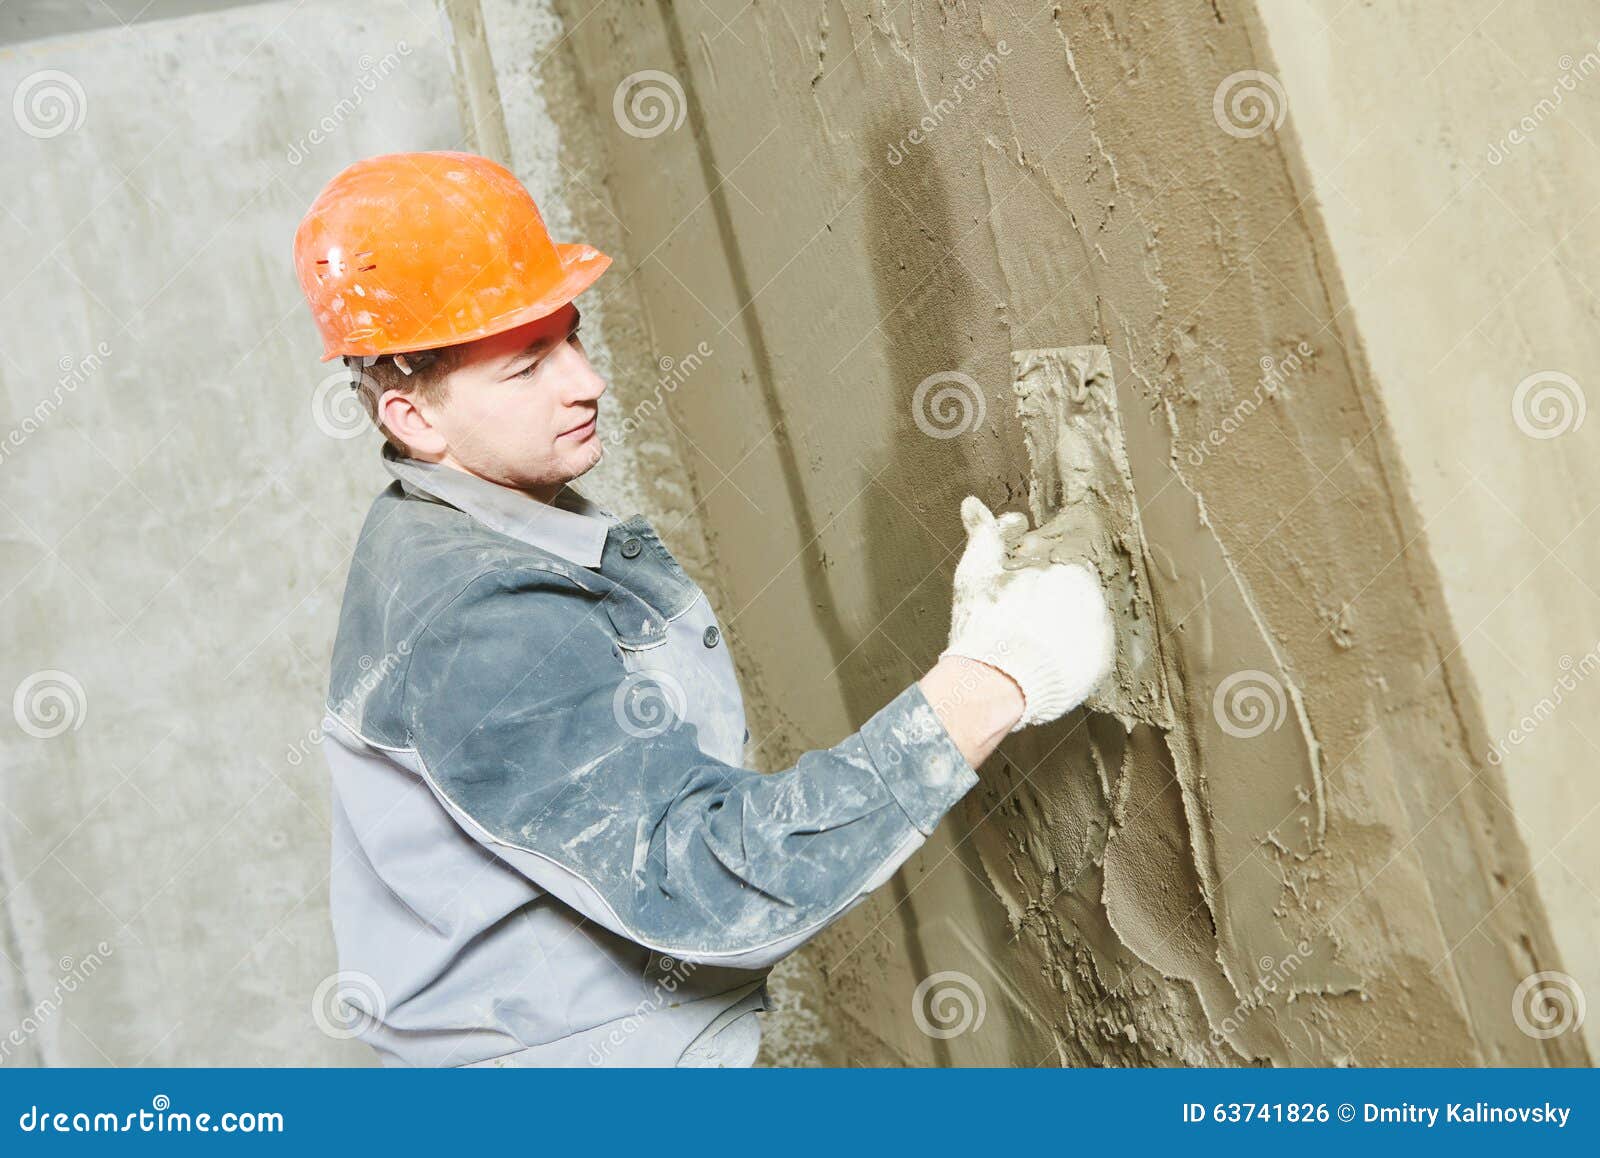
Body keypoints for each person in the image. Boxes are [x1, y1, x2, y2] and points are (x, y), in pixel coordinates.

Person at [292, 151, 1114, 1067]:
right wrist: (992, 680)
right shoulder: (477, 621)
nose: (585, 382)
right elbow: (704, 889)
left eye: (571, 336)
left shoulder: (472, 535)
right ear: (414, 420)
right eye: (527, 367)